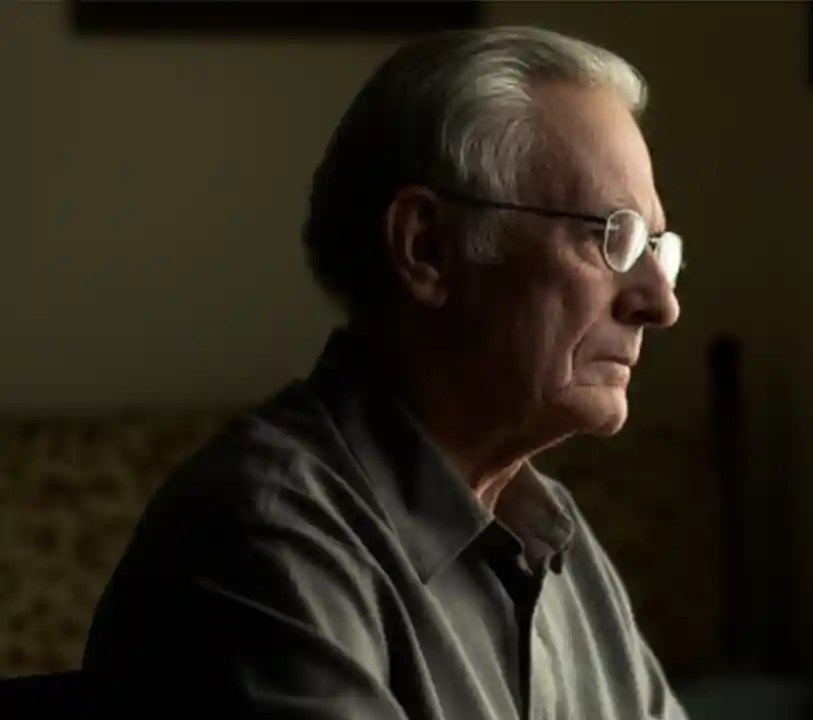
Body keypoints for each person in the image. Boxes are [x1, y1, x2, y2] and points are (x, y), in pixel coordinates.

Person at [82, 26, 686, 720]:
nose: (660, 303)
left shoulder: (551, 533)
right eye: (611, 236)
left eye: (657, 248)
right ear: (426, 247)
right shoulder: (264, 539)